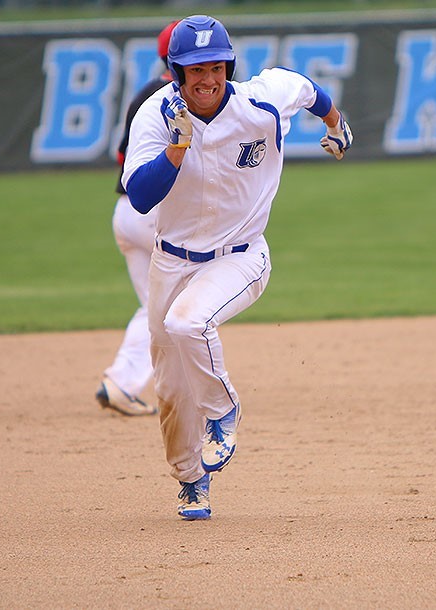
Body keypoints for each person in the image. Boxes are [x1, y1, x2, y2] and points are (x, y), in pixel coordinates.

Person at [122, 14, 353, 520]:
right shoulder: (156, 115)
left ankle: (223, 412)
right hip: (171, 259)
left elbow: (310, 91)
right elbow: (139, 196)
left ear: (228, 65)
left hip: (242, 257)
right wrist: (174, 152)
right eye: (192, 69)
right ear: (175, 72)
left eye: (214, 66)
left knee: (189, 322)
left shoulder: (261, 100)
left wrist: (336, 125)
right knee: (170, 387)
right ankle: (191, 481)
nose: (205, 79)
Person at [95, 20, 180, 418]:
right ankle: (188, 387)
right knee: (188, 305)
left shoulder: (144, 94)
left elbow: (122, 157)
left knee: (156, 307)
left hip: (125, 214)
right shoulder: (187, 97)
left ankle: (121, 383)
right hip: (156, 216)